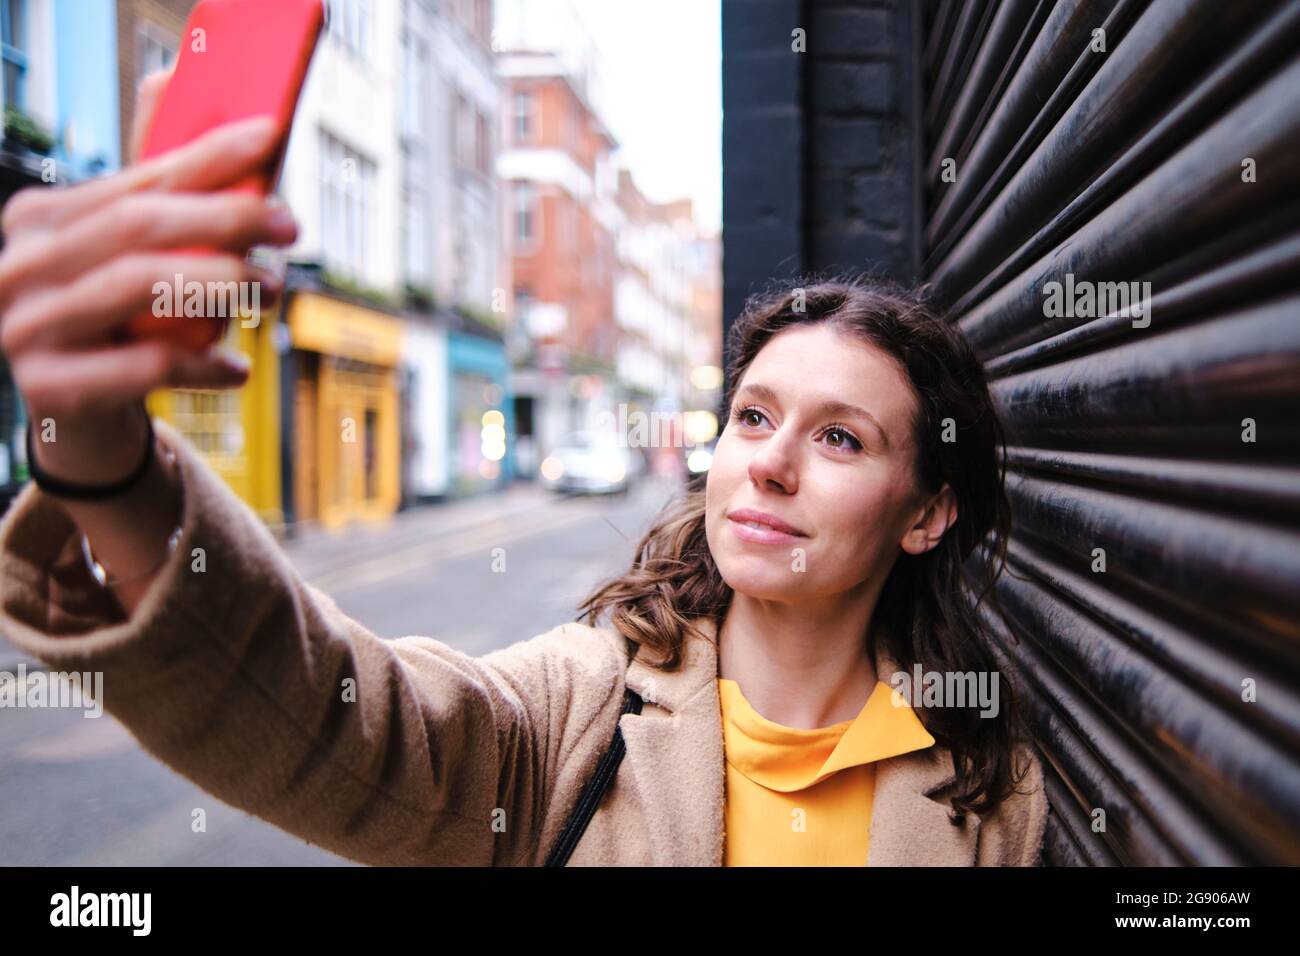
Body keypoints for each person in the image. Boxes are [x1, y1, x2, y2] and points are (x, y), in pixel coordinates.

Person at [0, 72, 1047, 867]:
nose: (769, 462)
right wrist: (102, 462)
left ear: (927, 513)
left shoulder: (986, 786)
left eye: (839, 437)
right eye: (753, 415)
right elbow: (320, 710)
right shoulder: (574, 713)